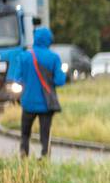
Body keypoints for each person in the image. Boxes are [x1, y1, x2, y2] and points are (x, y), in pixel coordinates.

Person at [8, 25, 66, 158]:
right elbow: (60, 81)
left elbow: (17, 79)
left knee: (25, 133)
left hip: (28, 103)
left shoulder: (24, 56)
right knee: (45, 134)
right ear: (49, 40)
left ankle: (24, 154)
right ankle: (45, 156)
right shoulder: (54, 58)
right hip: (46, 105)